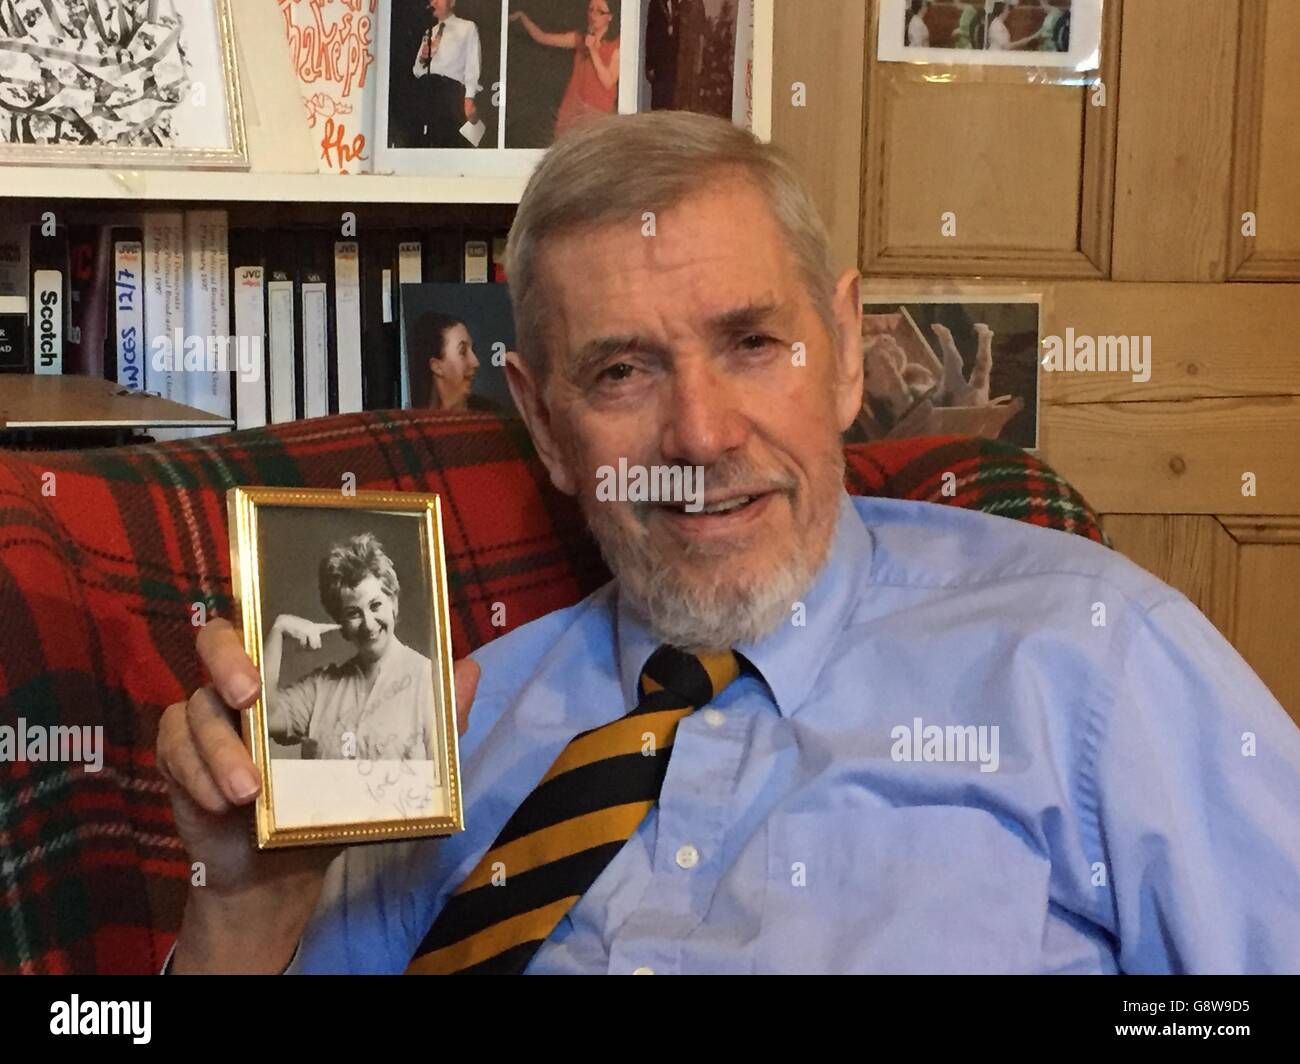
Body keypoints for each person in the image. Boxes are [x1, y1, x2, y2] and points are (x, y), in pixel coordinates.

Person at [159, 112, 1300, 975]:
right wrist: (243, 906)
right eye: (621, 371)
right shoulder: (438, 728)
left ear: (847, 351)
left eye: (753, 342)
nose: (700, 434)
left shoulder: (1094, 656)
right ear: (546, 422)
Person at [264, 533, 434, 761]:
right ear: (340, 623)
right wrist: (278, 630)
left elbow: (441, 784)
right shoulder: (321, 689)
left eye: (375, 606)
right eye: (353, 613)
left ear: (393, 603)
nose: (368, 624)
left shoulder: (429, 680)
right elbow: (262, 717)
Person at [510, 1, 620, 140]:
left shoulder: (616, 45)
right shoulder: (580, 38)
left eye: (600, 11)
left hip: (599, 114)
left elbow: (608, 81)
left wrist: (593, 49)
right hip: (574, 110)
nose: (593, 15)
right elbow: (542, 37)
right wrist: (523, 17)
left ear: (610, 16)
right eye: (591, 10)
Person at [410, 0, 482, 147]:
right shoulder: (430, 32)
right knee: (424, 137)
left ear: (452, 2)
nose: (434, 2)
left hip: (450, 90)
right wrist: (424, 58)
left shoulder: (467, 27)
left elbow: (472, 65)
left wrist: (469, 98)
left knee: (445, 137)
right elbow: (417, 71)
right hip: (427, 89)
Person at [411, 311, 494, 412]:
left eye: (473, 350)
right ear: (436, 366)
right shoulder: (415, 420)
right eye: (463, 352)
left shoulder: (490, 413)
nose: (476, 362)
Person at [645, 0, 679, 110]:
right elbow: (650, 36)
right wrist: (649, 64)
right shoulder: (655, 4)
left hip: (672, 61)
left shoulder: (675, 4)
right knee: (658, 98)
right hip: (658, 61)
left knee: (670, 97)